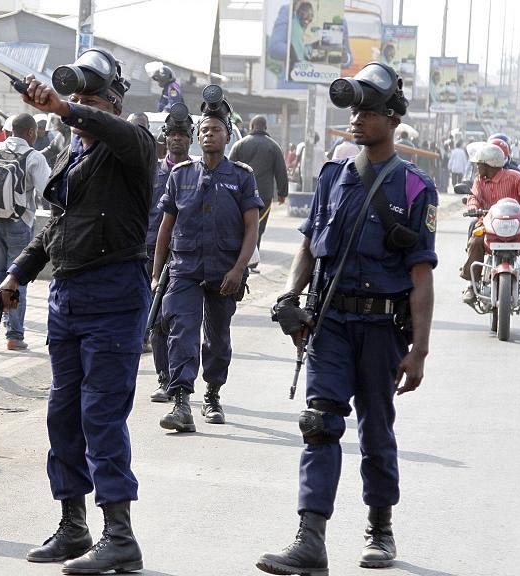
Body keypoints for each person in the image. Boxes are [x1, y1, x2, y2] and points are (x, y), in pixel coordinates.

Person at [258, 63, 436, 574]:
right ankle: (309, 540)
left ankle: (380, 529)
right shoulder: (334, 176)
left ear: (392, 119)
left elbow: (421, 278)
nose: (356, 118)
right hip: (330, 323)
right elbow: (311, 246)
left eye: (368, 110)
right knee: (319, 423)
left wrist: (419, 350)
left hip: (382, 329)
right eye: (354, 109)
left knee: (376, 430)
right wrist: (292, 297)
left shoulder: (414, 188)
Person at [0, 50, 153, 573]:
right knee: (63, 415)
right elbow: (56, 226)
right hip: (68, 297)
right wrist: (18, 270)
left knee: (100, 415)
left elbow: (115, 131)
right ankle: (73, 524)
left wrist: (65, 107)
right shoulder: (75, 155)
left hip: (114, 295)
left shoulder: (133, 144)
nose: (77, 111)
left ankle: (120, 535)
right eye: (75, 101)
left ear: (111, 105)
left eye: (90, 103)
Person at [154, 96, 262, 433]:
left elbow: (251, 228)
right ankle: (182, 401)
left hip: (224, 273)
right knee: (181, 331)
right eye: (203, 130)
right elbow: (165, 228)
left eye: (215, 130)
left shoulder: (242, 177)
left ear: (227, 135)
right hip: (184, 270)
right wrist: (157, 275)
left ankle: (212, 394)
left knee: (217, 339)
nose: (208, 135)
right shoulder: (181, 175)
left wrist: (238, 269)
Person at [0, 113, 50, 351]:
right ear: (31, 133)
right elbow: (46, 191)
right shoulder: (34, 157)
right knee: (18, 276)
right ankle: (14, 336)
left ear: (9, 131)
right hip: (20, 221)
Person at [460, 142, 520, 310]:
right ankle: (472, 285)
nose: (477, 167)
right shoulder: (480, 181)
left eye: (480, 164)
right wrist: (472, 207)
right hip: (489, 227)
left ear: (489, 164)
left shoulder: (515, 177)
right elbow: (474, 197)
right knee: (475, 242)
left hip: (515, 228)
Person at [147, 107, 194, 403]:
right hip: (150, 252)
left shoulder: (199, 173)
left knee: (176, 321)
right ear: (165, 138)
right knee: (154, 320)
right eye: (172, 134)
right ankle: (164, 378)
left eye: (182, 135)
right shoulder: (152, 171)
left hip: (185, 257)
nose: (177, 139)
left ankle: (179, 382)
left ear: (191, 139)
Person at [229, 115, 289, 252]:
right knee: (258, 226)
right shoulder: (274, 146)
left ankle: (237, 255)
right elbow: (281, 171)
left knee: (240, 224)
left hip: (240, 193)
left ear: (251, 127)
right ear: (266, 127)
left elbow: (229, 167)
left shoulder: (239, 144)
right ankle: (252, 258)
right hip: (264, 195)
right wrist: (282, 194)